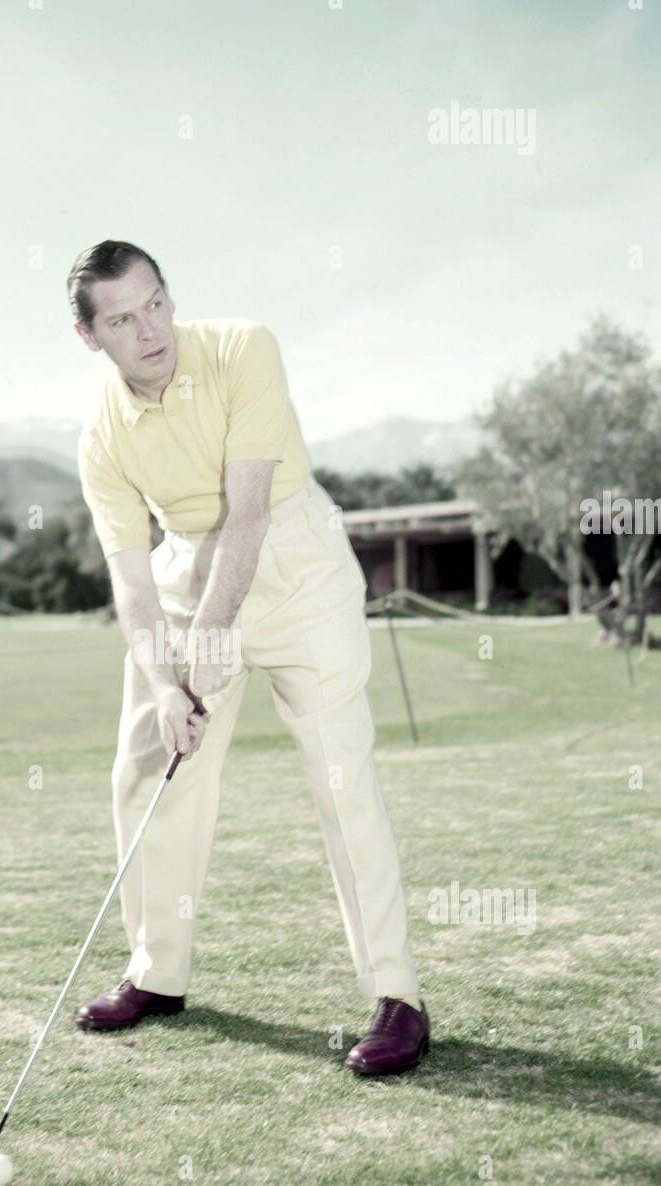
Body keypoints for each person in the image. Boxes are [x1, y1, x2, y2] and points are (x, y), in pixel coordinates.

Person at [66, 239, 429, 1076]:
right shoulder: (101, 436)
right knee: (149, 767)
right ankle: (156, 974)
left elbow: (252, 509)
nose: (150, 328)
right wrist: (168, 682)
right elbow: (130, 574)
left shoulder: (242, 347)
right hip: (187, 567)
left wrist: (212, 637)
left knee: (343, 776)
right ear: (92, 338)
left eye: (156, 302)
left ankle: (398, 996)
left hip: (295, 561)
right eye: (122, 319)